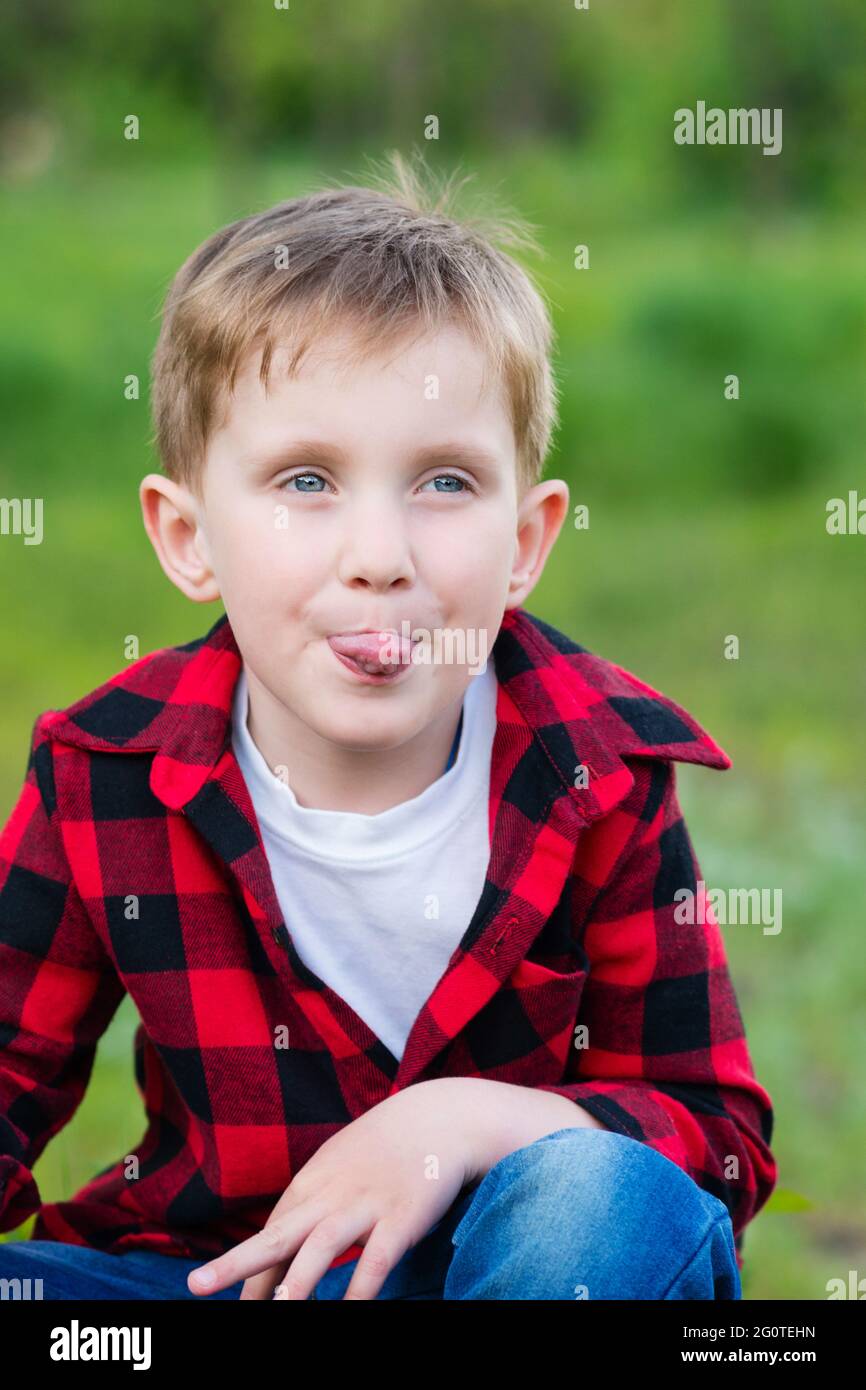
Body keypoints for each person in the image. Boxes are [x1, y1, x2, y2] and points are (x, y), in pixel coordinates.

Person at [0, 151, 775, 1300]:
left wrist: (463, 1122)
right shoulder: (104, 774)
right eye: (305, 481)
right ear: (187, 535)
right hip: (206, 1281)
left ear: (524, 539)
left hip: (496, 1279)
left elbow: (713, 1136)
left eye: (445, 483)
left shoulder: (595, 773)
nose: (378, 558)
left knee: (603, 1200)